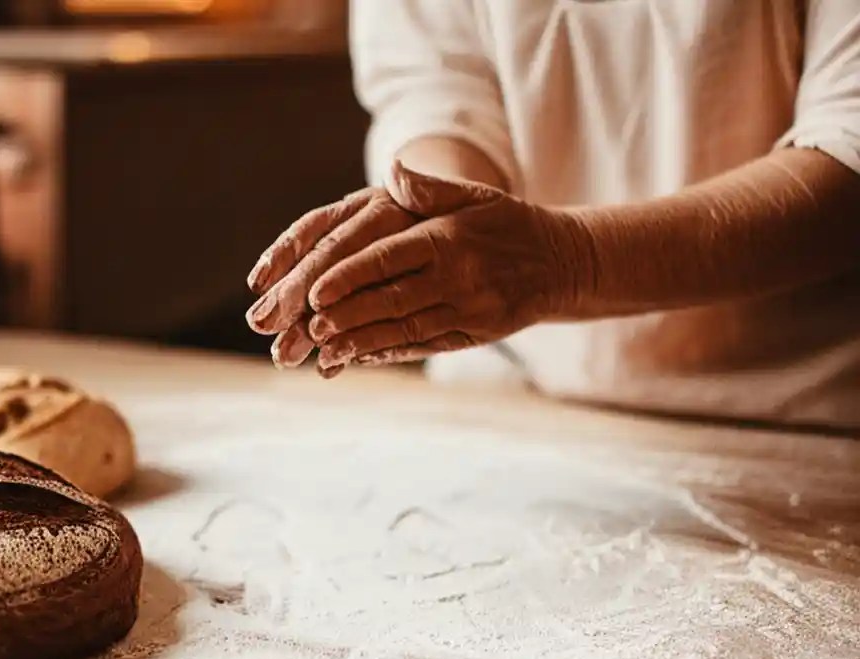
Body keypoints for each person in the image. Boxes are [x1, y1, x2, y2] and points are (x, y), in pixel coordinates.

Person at [244, 0, 860, 429]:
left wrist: (570, 262)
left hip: (794, 418)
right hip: (515, 401)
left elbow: (845, 168)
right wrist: (440, 228)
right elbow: (436, 94)